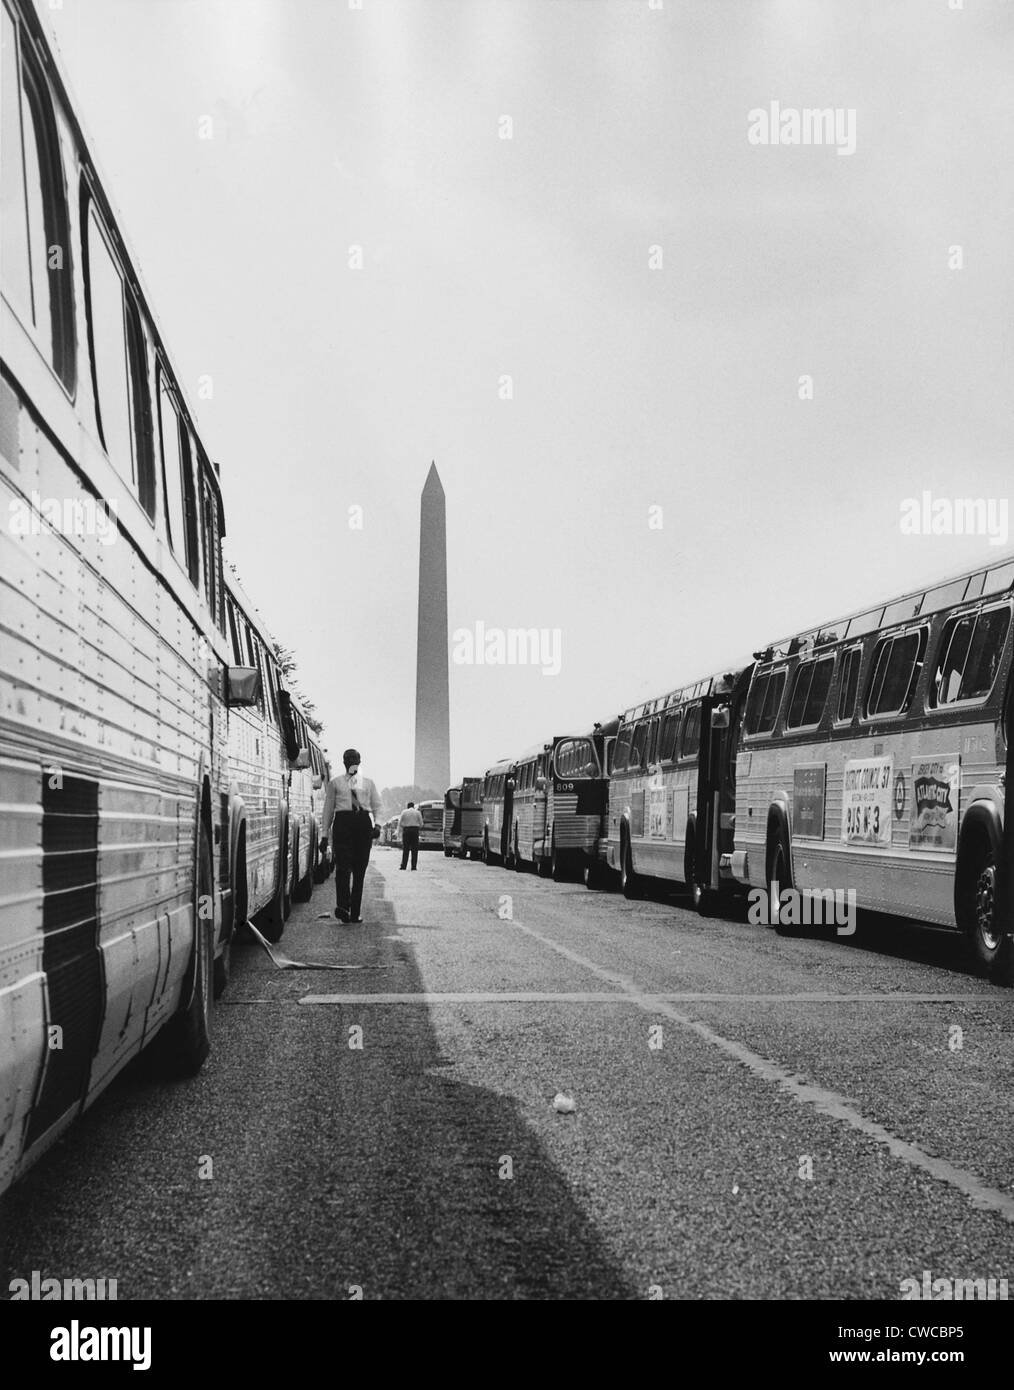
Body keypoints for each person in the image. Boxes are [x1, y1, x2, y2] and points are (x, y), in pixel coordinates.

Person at [319, 748, 382, 923]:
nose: (352, 761)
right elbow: (328, 810)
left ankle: (355, 912)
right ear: (344, 762)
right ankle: (343, 907)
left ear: (359, 762)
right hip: (343, 825)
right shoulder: (335, 783)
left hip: (362, 825)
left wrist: (377, 825)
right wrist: (324, 836)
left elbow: (377, 805)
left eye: (355, 758)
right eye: (348, 758)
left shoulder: (368, 783)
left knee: (359, 871)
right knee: (342, 868)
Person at [398, 802, 423, 870]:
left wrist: (404, 826)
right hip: (415, 831)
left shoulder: (404, 812)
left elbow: (400, 823)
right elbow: (421, 824)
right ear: (413, 806)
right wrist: (417, 827)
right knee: (414, 849)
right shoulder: (418, 812)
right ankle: (413, 866)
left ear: (407, 807)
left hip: (406, 831)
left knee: (405, 849)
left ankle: (403, 866)